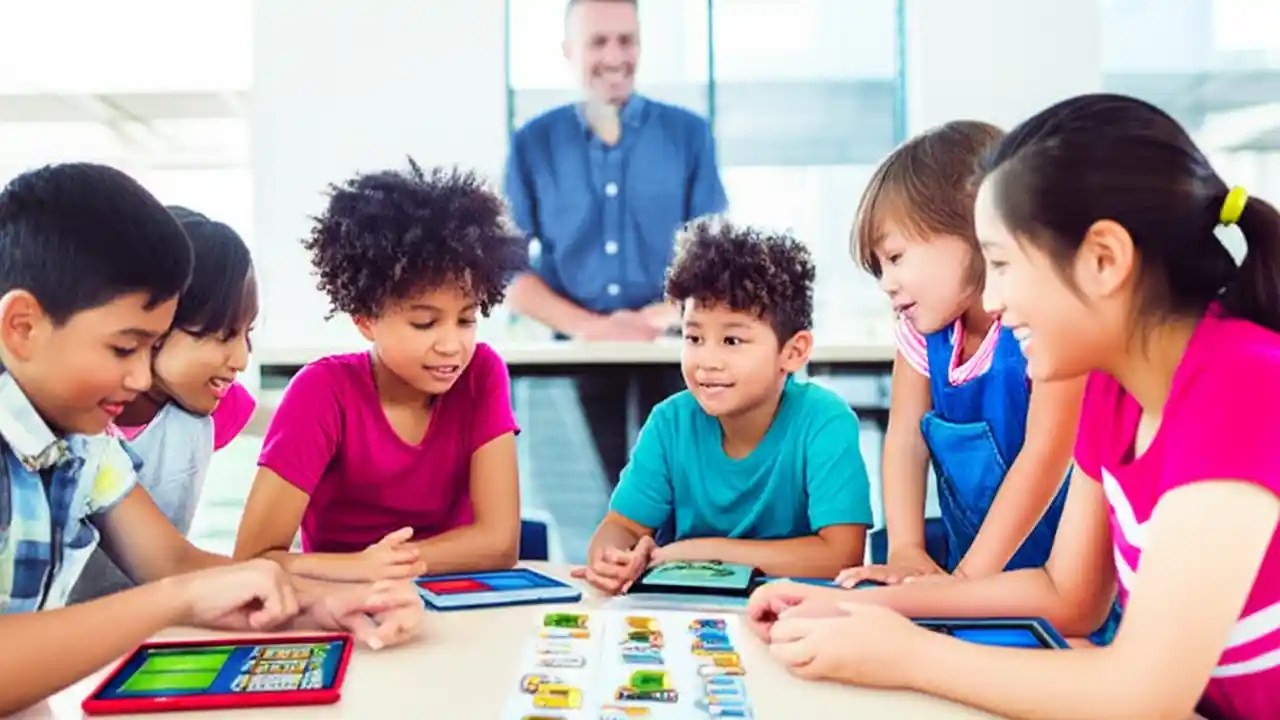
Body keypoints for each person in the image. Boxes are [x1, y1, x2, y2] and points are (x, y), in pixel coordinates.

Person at [747, 94, 1280, 720]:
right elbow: (1067, 597)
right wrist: (861, 605)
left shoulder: (1243, 383)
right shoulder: (1111, 391)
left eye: (1001, 264)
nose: (993, 299)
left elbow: (1145, 692)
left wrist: (906, 654)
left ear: (1104, 260)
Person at [0, 163, 423, 715]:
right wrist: (175, 600)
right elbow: (177, 587)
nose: (139, 378)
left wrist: (322, 604)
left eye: (151, 348)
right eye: (124, 348)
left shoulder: (87, 441)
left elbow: (173, 562)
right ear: (23, 326)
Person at [235, 161, 528, 579]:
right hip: (342, 601)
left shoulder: (481, 373)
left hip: (455, 599)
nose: (451, 345)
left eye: (466, 320)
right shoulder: (321, 392)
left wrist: (388, 563)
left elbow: (499, 544)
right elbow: (254, 558)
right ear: (366, 320)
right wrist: (361, 568)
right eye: (424, 323)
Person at [838, 121, 1082, 584]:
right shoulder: (922, 334)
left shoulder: (1046, 329)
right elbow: (905, 442)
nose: (887, 283)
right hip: (970, 583)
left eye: (895, 258)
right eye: (878, 268)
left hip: (1061, 589)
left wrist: (966, 582)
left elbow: (1044, 456)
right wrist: (907, 550)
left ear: (973, 227)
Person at [574, 217, 872, 593]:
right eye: (694, 338)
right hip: (685, 614)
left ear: (793, 352)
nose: (707, 361)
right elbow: (622, 526)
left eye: (731, 341)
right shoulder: (669, 424)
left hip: (794, 613)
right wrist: (612, 557)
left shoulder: (824, 421)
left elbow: (841, 555)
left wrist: (693, 552)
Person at [504, 0, 728, 488]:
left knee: (678, 497)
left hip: (673, 355)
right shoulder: (532, 143)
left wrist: (649, 322)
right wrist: (592, 329)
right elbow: (507, 271)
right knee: (583, 504)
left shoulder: (688, 135)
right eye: (598, 42)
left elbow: (716, 259)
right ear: (569, 51)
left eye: (626, 41)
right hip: (566, 362)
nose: (614, 56)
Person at [72, 206, 258, 601]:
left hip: (142, 614)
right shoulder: (72, 428)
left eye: (247, 333)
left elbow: (174, 562)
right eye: (222, 335)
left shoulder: (210, 412)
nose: (242, 359)